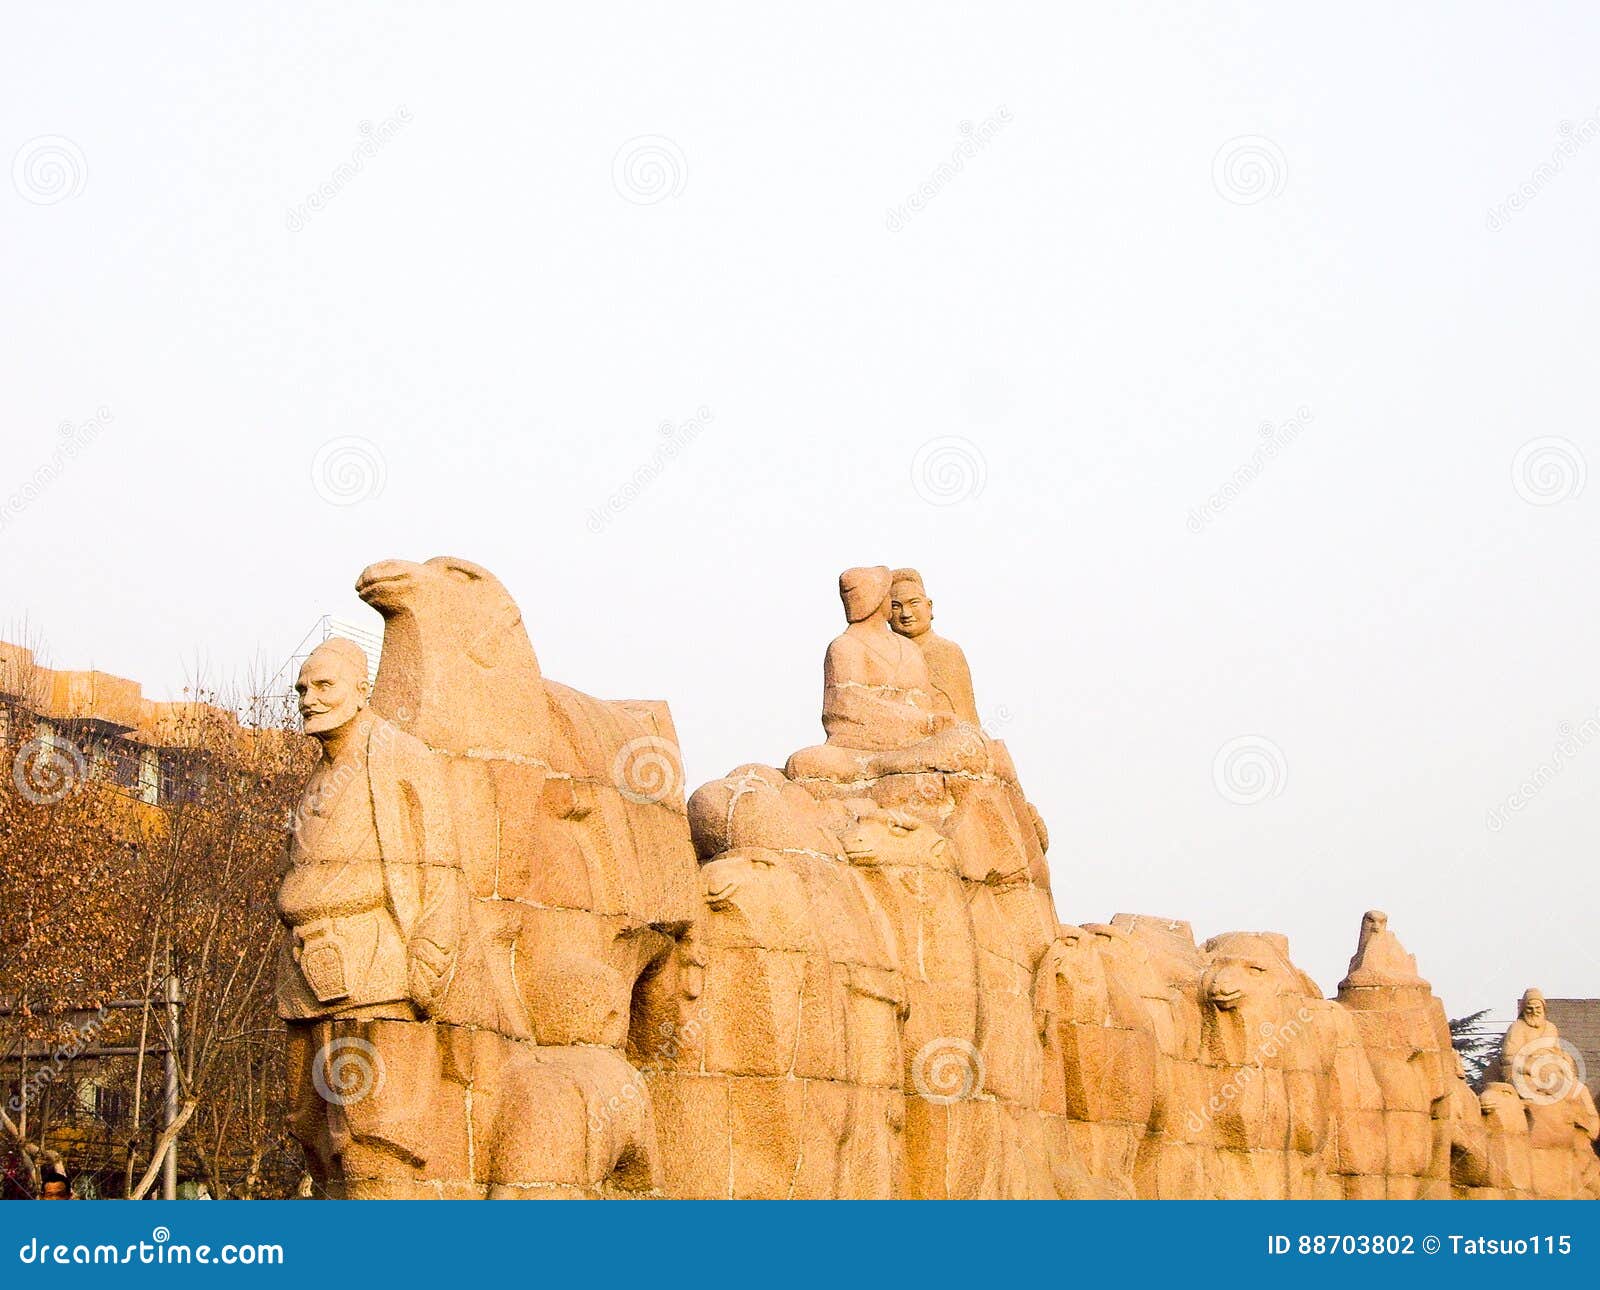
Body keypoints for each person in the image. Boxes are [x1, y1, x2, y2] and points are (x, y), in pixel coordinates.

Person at [889, 569, 980, 727]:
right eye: (896, 606)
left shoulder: (946, 651)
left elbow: (965, 715)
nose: (905, 614)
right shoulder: (885, 654)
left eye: (913, 603)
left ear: (929, 606)